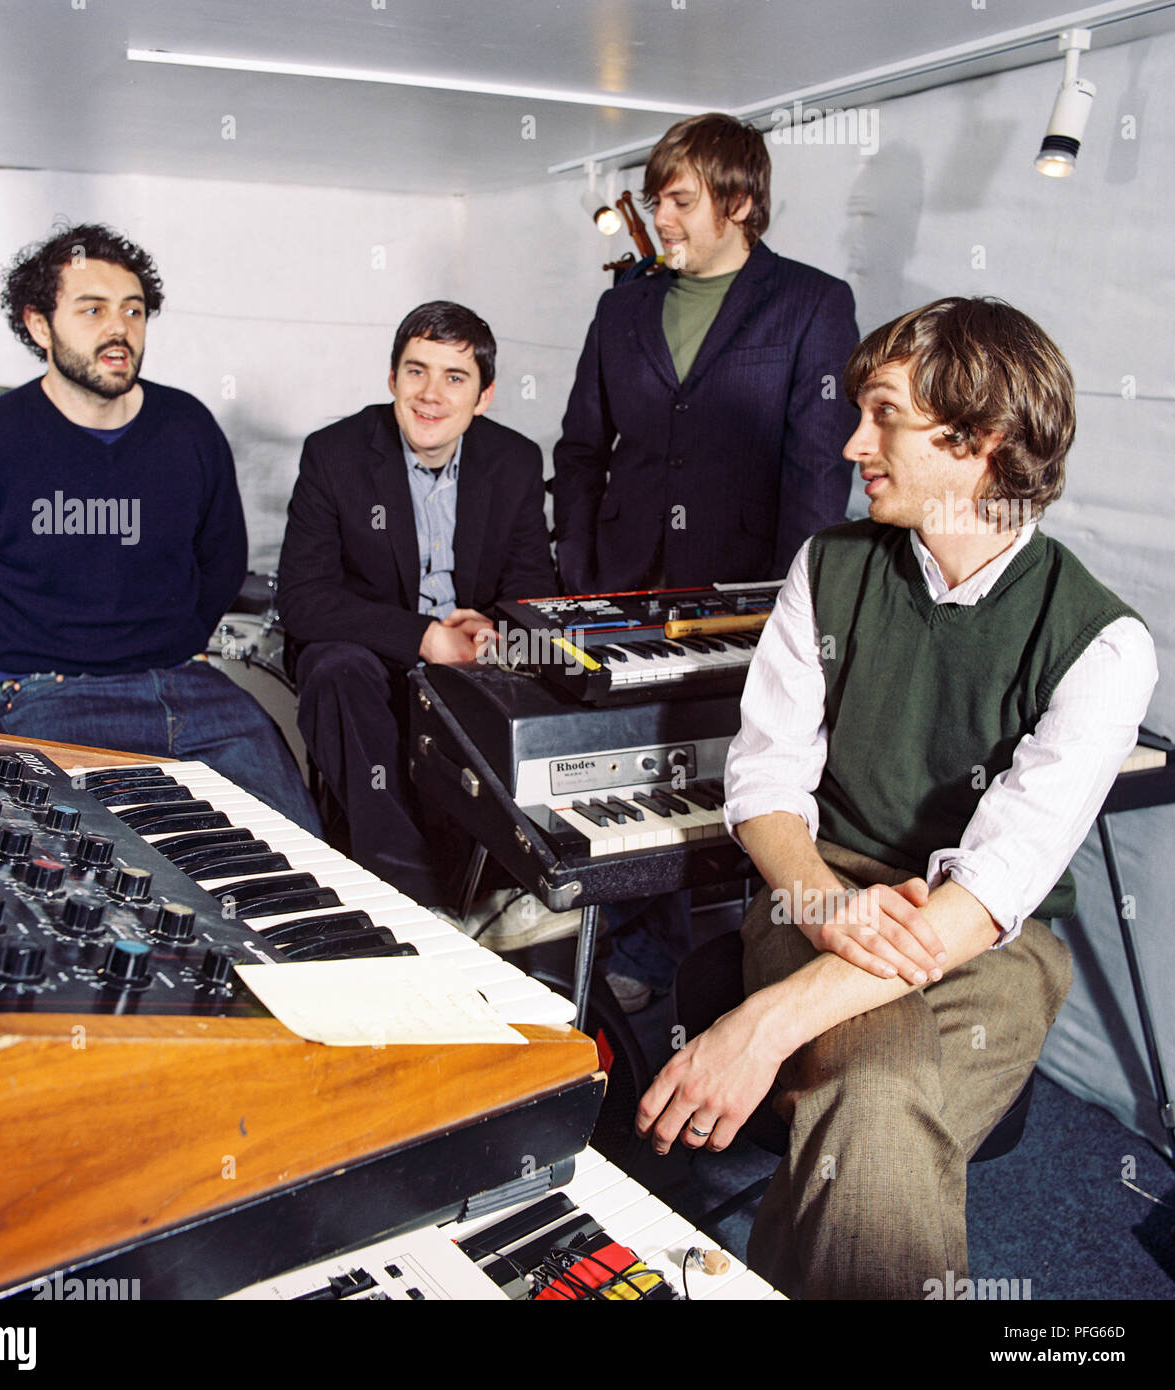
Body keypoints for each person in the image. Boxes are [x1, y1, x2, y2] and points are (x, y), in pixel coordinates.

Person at [635, 297, 1158, 1300]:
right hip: (824, 889)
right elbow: (764, 783)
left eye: (882, 416)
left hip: (994, 946)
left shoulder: (1105, 642)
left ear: (982, 441)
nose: (849, 443)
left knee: (867, 1096)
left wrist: (765, 1023)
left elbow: (987, 895)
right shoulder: (827, 567)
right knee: (878, 1100)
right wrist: (824, 903)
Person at [554, 112, 862, 1009]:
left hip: (747, 593)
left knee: (732, 767)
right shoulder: (621, 307)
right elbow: (579, 450)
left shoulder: (812, 303)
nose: (663, 218)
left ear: (739, 199)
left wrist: (785, 599)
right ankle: (642, 952)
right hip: (623, 587)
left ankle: (742, 968)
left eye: (680, 199)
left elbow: (817, 466)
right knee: (634, 764)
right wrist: (582, 568)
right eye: (656, 199)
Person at [0, 222, 322, 835]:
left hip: (191, 687)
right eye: (92, 309)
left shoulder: (188, 426)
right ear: (38, 325)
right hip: (53, 695)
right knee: (108, 883)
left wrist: (178, 640)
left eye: (133, 309)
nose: (119, 328)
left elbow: (223, 556)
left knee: (300, 856)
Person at [277, 301, 556, 908]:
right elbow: (302, 599)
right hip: (371, 650)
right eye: (415, 372)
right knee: (335, 670)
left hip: (470, 654)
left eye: (454, 378)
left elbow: (535, 590)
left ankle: (516, 890)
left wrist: (496, 625)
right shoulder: (335, 453)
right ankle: (413, 899)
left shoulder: (515, 461)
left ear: (483, 396)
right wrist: (423, 635)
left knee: (548, 668)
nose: (431, 395)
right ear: (392, 380)